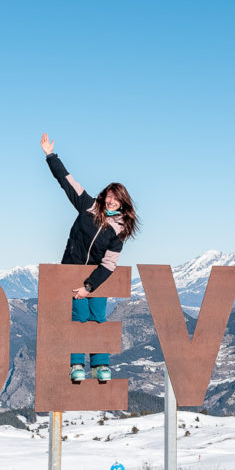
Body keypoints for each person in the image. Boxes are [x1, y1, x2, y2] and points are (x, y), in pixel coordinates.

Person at [40, 132, 139, 383]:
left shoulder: (119, 230)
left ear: (122, 203)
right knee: (79, 318)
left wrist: (89, 286)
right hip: (72, 271)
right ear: (104, 194)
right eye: (109, 196)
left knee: (98, 318)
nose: (111, 201)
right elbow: (66, 181)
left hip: (96, 278)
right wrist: (50, 155)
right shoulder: (87, 206)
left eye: (117, 199)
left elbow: (108, 264)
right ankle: (76, 365)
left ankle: (100, 364)